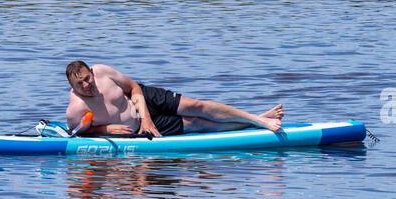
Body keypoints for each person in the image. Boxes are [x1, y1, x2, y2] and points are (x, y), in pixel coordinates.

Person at [63, 61, 283, 138]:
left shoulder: (103, 71)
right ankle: (256, 120)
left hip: (143, 100)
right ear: (71, 87)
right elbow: (80, 134)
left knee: (197, 106)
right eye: (79, 84)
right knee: (198, 125)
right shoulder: (75, 110)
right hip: (138, 129)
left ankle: (259, 120)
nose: (86, 85)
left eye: (87, 78)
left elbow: (134, 87)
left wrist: (147, 118)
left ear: (91, 72)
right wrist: (106, 130)